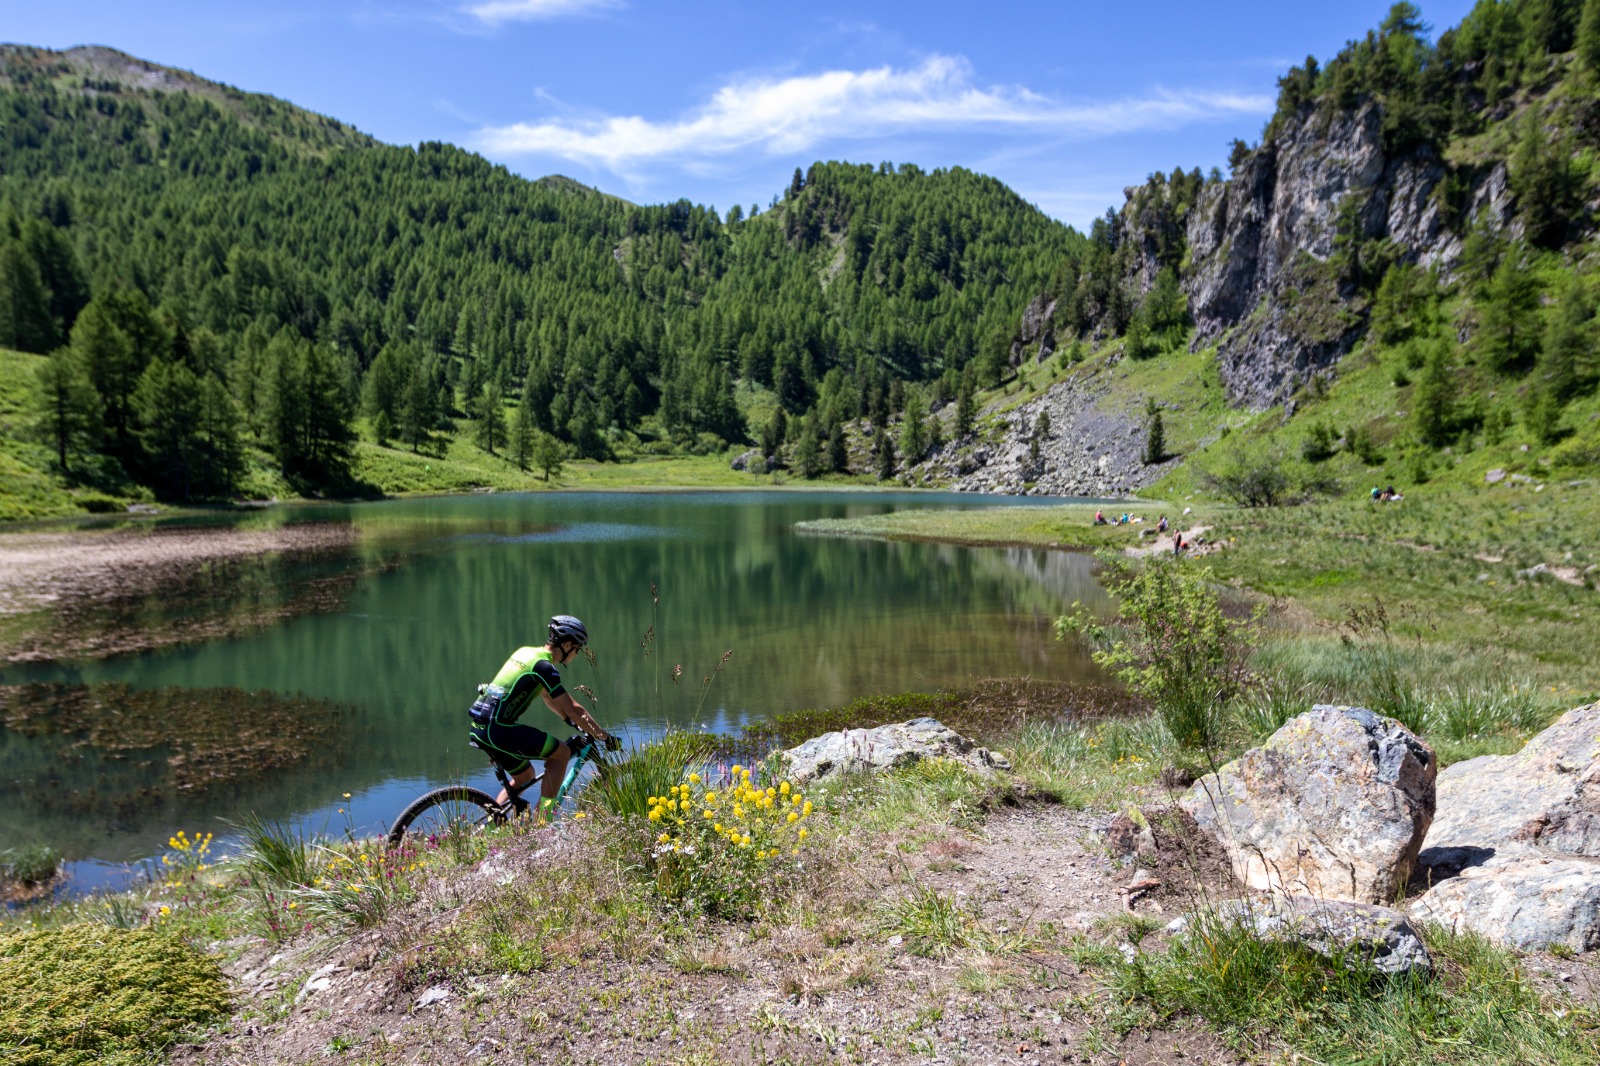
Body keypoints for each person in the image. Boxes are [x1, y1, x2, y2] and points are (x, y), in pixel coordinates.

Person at [467, 615, 619, 821]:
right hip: (498, 729)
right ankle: (542, 823)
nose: (577, 653)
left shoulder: (526, 653)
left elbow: (549, 698)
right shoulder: (544, 667)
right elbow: (575, 709)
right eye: (578, 648)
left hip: (481, 726)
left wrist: (570, 721)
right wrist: (604, 736)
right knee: (561, 753)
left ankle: (492, 824)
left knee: (524, 776)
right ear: (566, 644)